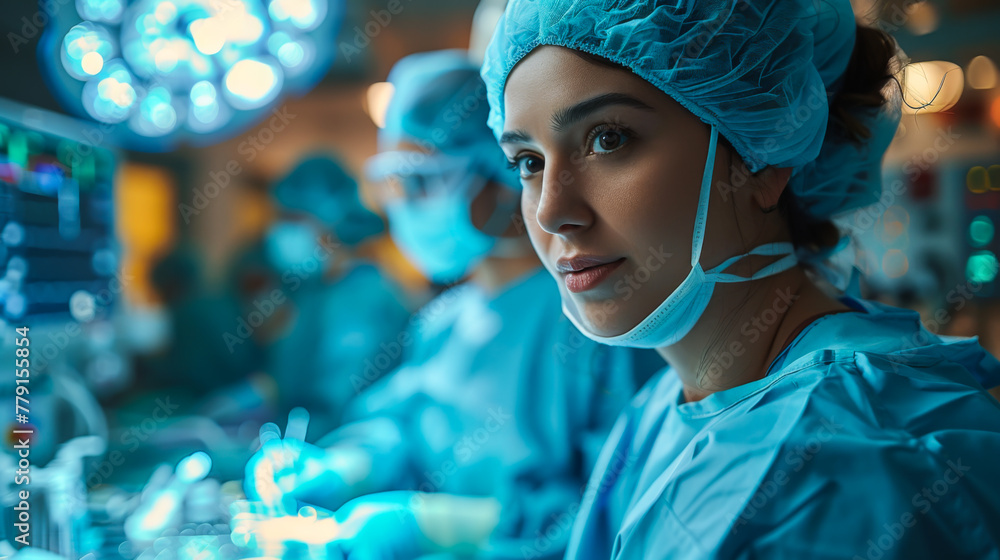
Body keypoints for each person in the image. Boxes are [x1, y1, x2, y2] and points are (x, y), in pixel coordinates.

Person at [475, 1, 1000, 559]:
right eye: (528, 162)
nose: (552, 211)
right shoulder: (670, 404)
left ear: (763, 154)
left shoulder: (854, 465)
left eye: (608, 139)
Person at [240, 49, 660, 559]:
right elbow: (403, 427)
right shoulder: (444, 322)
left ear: (502, 172)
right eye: (396, 183)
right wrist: (344, 465)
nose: (405, 205)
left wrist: (444, 528)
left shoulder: (593, 317)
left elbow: (618, 515)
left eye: (424, 180)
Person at [226, 155, 412, 433]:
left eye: (294, 219)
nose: (280, 231)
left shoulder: (367, 300)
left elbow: (337, 408)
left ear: (331, 226)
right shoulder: (316, 293)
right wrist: (231, 408)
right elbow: (288, 384)